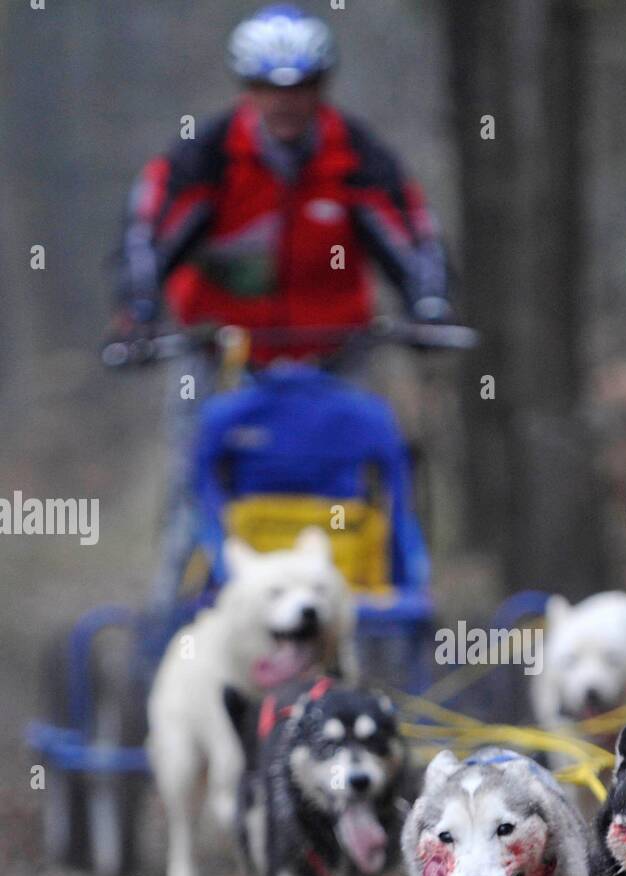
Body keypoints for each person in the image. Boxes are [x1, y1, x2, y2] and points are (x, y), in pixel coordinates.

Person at [110, 4, 452, 606]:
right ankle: (176, 624)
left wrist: (428, 303)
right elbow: (148, 233)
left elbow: (414, 234)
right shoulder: (209, 156)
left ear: (324, 87)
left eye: (303, 87)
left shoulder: (355, 158)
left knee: (355, 484)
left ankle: (370, 626)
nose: (285, 102)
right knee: (197, 489)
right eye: (269, 87)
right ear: (247, 89)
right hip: (221, 356)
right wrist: (137, 311)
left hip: (334, 357)